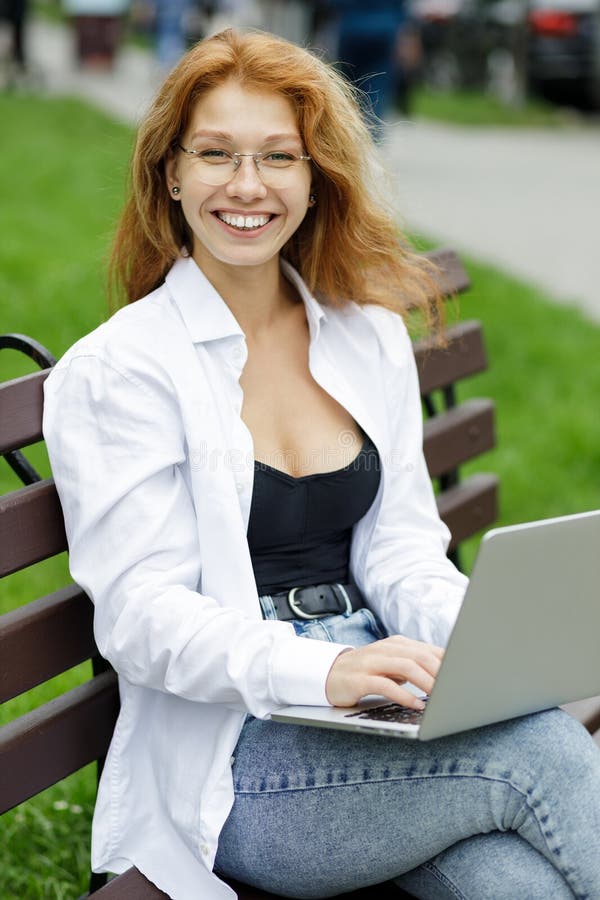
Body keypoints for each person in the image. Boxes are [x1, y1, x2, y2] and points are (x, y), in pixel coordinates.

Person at [42, 27, 600, 900]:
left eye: (278, 156)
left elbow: (402, 550)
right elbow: (142, 618)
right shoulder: (122, 370)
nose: (248, 184)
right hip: (241, 757)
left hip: (386, 711)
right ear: (171, 173)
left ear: (315, 177)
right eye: (216, 153)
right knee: (539, 748)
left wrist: (480, 650)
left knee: (515, 882)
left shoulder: (363, 333)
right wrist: (324, 671)